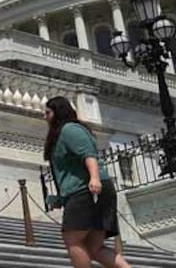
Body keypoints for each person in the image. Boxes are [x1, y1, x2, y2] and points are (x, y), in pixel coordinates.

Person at [42, 96, 129, 268]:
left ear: (58, 112)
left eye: (48, 112)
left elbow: (88, 154)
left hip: (86, 190)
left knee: (72, 240)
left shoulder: (70, 129)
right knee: (94, 248)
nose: (44, 117)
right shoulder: (62, 134)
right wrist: (60, 198)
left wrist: (94, 178)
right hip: (88, 190)